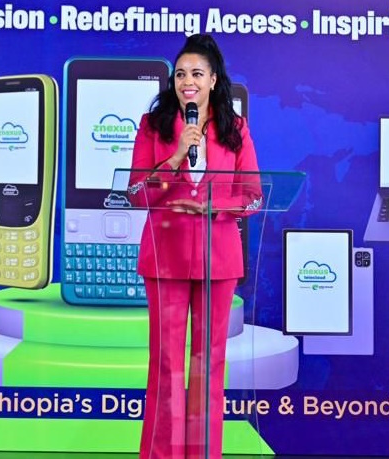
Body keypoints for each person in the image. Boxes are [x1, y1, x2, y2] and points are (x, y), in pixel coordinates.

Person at [127, 34, 261, 459]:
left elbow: (253, 196)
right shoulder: (153, 126)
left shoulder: (235, 129)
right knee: (166, 364)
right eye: (181, 74)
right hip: (165, 256)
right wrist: (174, 158)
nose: (188, 81)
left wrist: (214, 205)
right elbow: (135, 193)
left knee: (209, 364)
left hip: (218, 258)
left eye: (197, 74)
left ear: (213, 80)